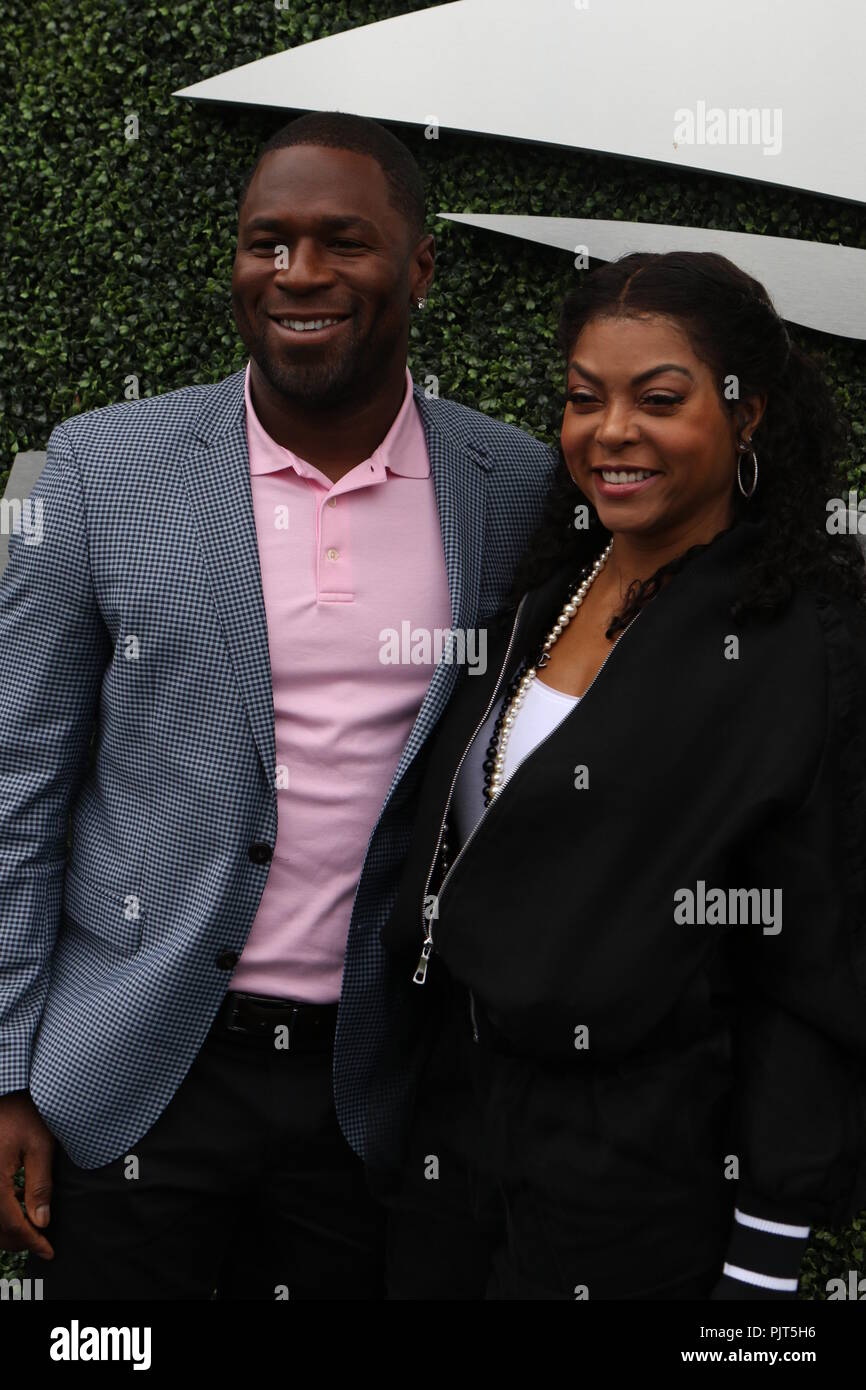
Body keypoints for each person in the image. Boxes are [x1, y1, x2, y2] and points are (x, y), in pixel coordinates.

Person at [0, 111, 556, 1299]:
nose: (297, 274)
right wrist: (4, 1065)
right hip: (132, 1074)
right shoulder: (103, 469)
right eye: (267, 242)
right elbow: (18, 777)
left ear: (417, 265)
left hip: (375, 1087)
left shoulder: (512, 489)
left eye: (340, 241)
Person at [371, 251, 866, 1300]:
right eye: (582, 397)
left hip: (642, 1169)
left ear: (746, 415)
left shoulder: (804, 646)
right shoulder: (543, 590)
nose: (610, 431)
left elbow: (816, 954)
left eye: (658, 398)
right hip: (456, 1133)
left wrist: (764, 1242)